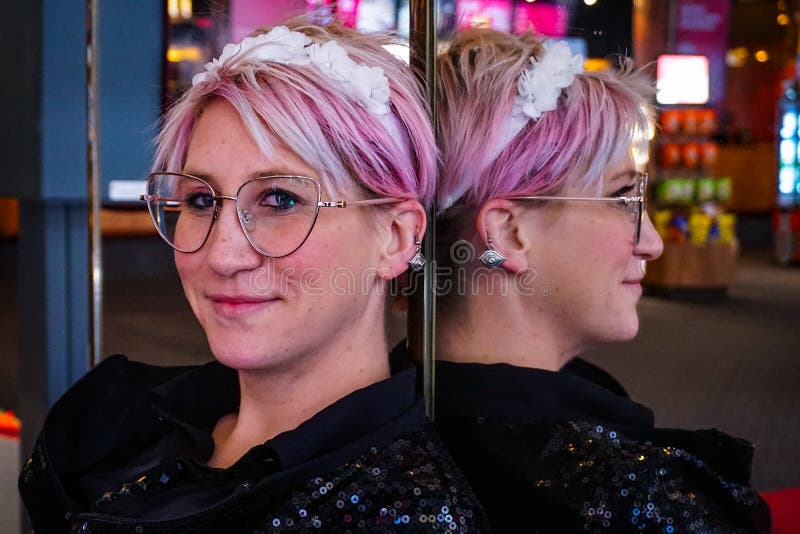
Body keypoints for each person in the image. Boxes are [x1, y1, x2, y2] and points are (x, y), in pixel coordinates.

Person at [19, 21, 488, 533]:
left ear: (396, 237)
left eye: (280, 200)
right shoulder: (118, 416)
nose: (222, 254)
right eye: (200, 200)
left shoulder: (406, 512)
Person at [432, 29, 771, 533]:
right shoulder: (623, 496)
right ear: (510, 232)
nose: (652, 243)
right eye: (621, 199)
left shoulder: (396, 413)